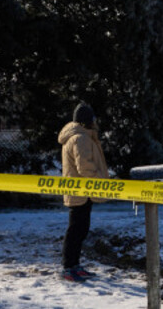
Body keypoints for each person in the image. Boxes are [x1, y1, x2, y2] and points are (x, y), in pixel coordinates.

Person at [58, 101, 109, 282]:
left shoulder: (82, 136)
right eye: (93, 119)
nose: (96, 122)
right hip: (81, 192)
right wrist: (101, 183)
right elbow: (85, 168)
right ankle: (68, 267)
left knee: (81, 230)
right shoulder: (80, 138)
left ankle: (74, 265)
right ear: (87, 121)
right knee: (75, 231)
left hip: (82, 193)